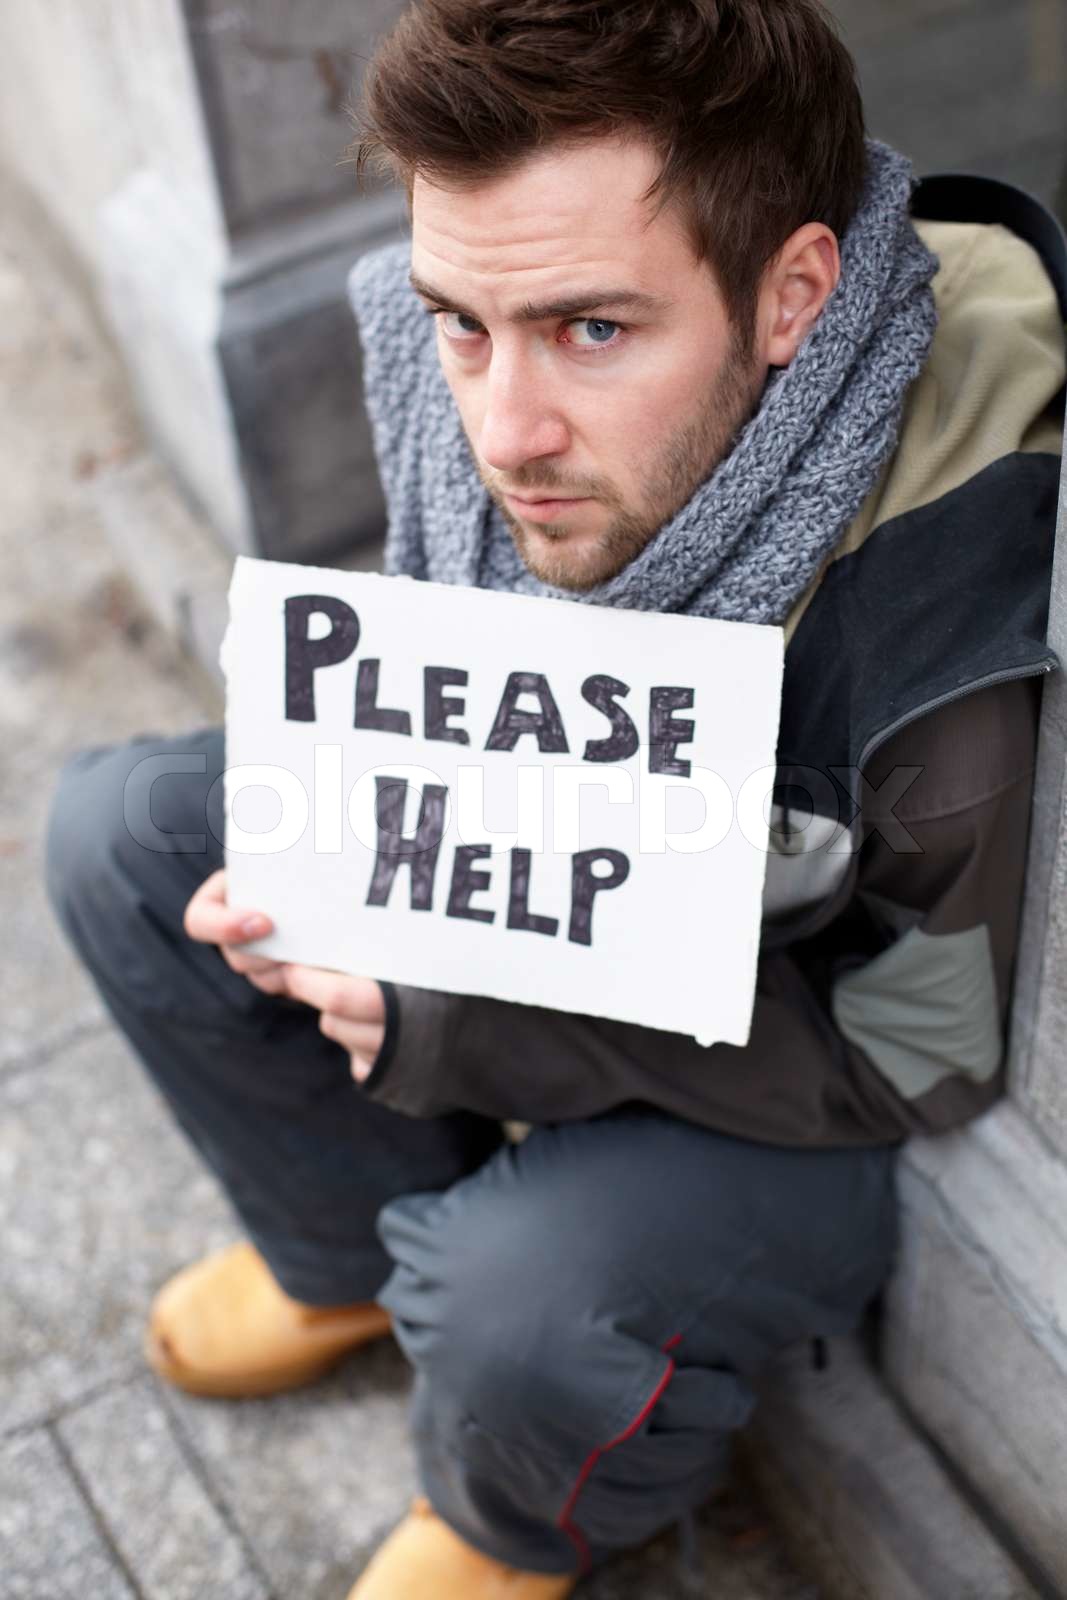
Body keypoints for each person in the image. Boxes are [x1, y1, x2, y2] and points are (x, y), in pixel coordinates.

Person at [44, 1, 1066, 1595]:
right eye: (463, 321)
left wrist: (460, 1002)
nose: (502, 431)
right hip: (584, 906)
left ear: (795, 293)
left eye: (594, 329)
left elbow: (915, 1058)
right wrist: (380, 879)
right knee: (128, 839)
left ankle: (518, 1509)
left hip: (800, 1069)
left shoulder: (941, 603)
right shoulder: (505, 387)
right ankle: (340, 1254)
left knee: (523, 1301)